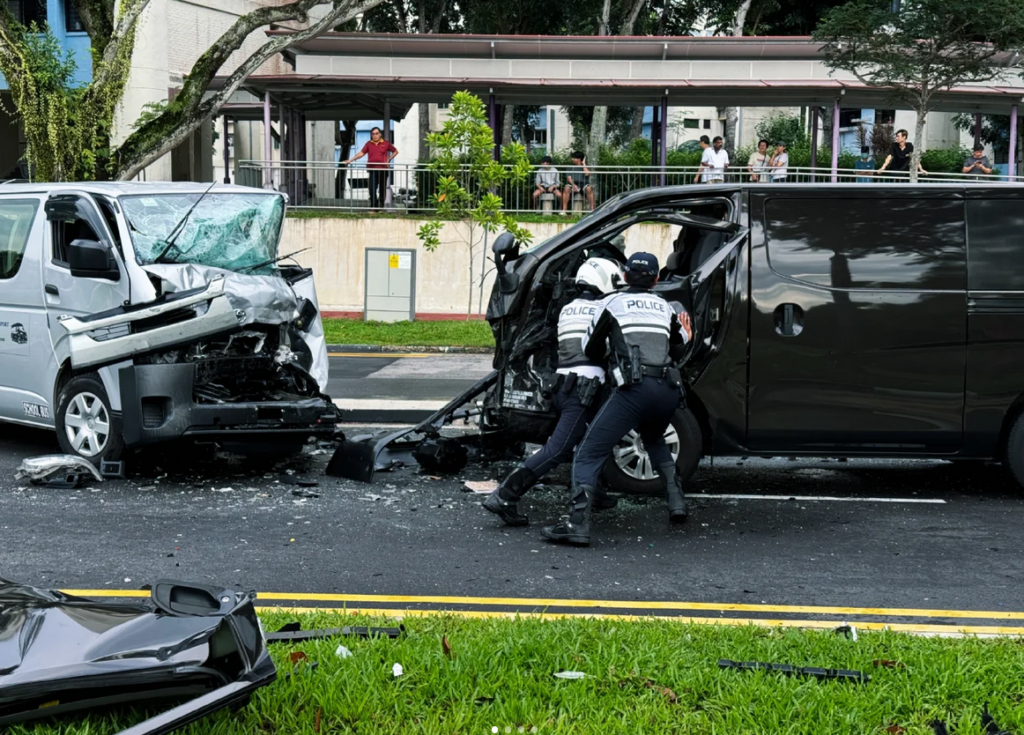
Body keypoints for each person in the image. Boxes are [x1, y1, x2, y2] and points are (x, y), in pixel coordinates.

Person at [541, 252, 694, 547]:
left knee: (587, 452)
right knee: (655, 442)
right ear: (656, 279)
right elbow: (677, 350)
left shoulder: (609, 303)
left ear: (623, 277)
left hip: (634, 390)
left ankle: (576, 525)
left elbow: (591, 347)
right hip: (667, 392)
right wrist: (686, 334)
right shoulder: (664, 306)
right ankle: (677, 504)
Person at [483, 258, 624, 526]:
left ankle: (597, 491)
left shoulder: (569, 308)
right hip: (583, 389)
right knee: (558, 449)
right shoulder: (602, 308)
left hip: (563, 386)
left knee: (596, 437)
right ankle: (504, 495)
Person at [342, 126, 398, 210]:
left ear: (380, 134)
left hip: (383, 170)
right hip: (372, 170)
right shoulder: (368, 144)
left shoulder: (386, 143)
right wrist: (350, 160)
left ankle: (381, 205)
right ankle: (373, 206)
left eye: (376, 134)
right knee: (372, 188)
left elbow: (395, 151)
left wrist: (389, 159)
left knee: (382, 189)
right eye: (373, 134)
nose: (375, 136)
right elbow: (361, 153)